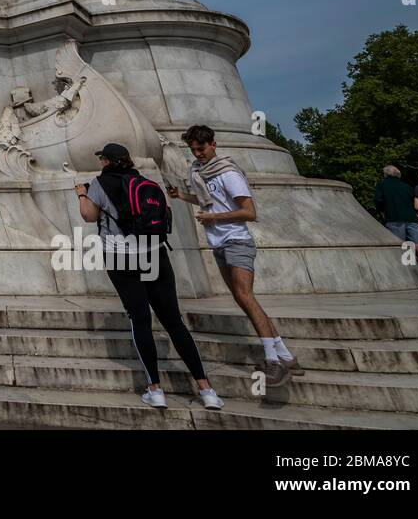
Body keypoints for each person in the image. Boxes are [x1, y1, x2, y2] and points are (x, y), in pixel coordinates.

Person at [76, 143, 222, 410]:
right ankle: (206, 389)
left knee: (140, 320)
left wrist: (82, 195)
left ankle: (155, 389)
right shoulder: (145, 182)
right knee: (174, 322)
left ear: (106, 161)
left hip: (121, 257)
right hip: (154, 253)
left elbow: (88, 216)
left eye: (102, 159)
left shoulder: (99, 184)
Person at [169, 124, 301, 387]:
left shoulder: (228, 173)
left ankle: (273, 361)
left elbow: (249, 212)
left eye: (202, 148)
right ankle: (286, 356)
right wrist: (181, 196)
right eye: (193, 150)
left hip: (237, 240)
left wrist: (213, 217)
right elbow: (207, 200)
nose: (198, 154)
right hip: (218, 242)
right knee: (242, 299)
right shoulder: (199, 172)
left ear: (213, 144)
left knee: (245, 296)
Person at [375, 165, 418, 282]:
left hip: (394, 219)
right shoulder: (406, 186)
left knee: (399, 246)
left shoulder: (382, 185)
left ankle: (403, 271)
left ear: (385, 174)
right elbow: (414, 203)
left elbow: (378, 200)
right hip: (411, 219)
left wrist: (383, 211)